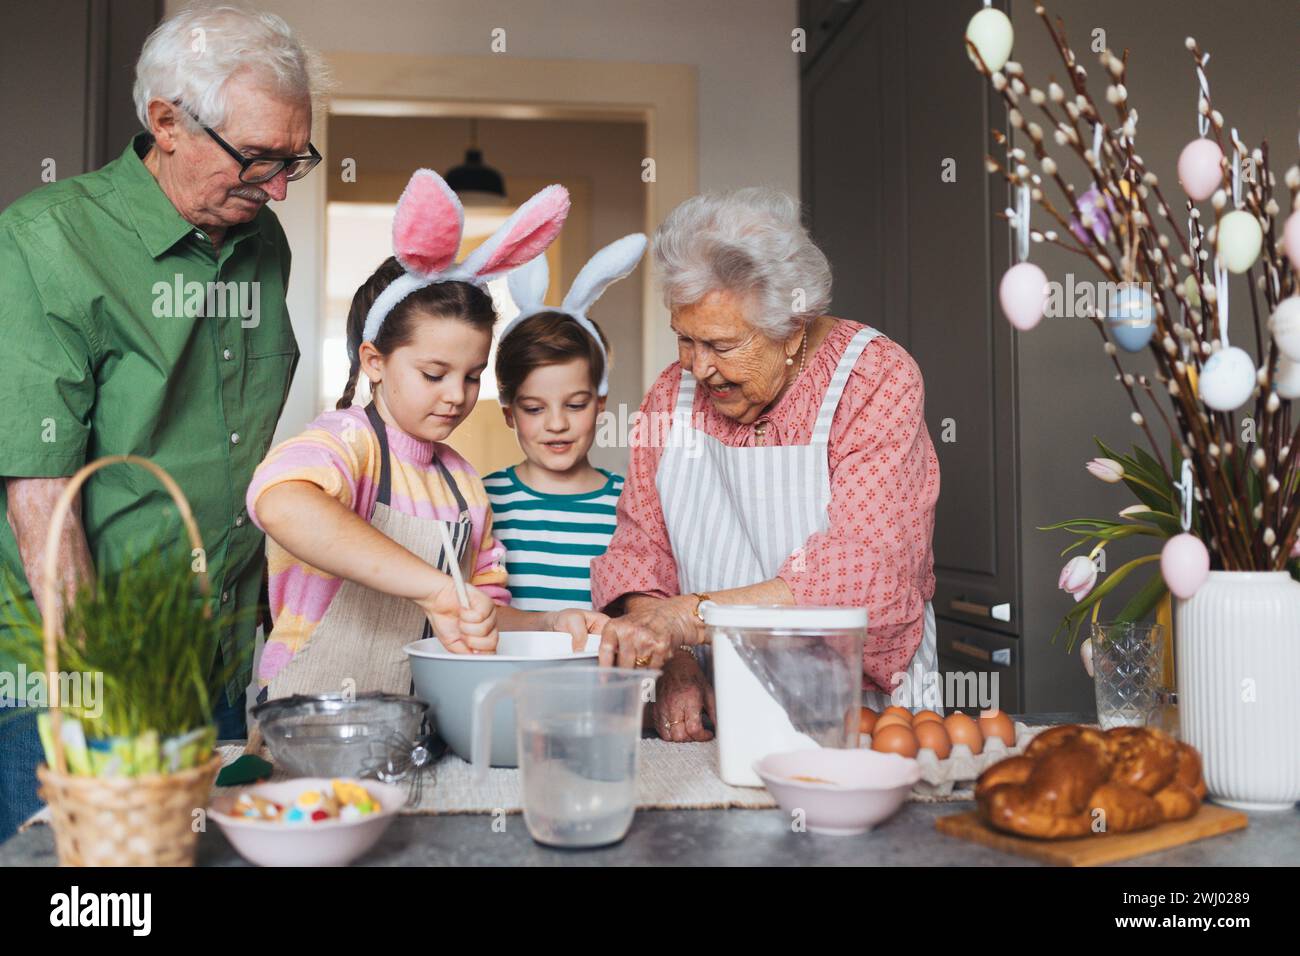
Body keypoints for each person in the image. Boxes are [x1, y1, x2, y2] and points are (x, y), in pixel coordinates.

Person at [0, 6, 323, 838]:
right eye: (258, 158)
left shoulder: (262, 241)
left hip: (216, 655)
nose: (279, 188)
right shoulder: (45, 242)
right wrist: (99, 696)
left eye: (296, 161)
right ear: (167, 122)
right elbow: (42, 493)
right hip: (81, 675)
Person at [589, 188, 941, 742]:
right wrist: (672, 660)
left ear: (792, 328)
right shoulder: (669, 396)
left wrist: (685, 619)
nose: (699, 368)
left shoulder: (874, 380)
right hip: (716, 708)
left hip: (856, 710)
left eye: (722, 345)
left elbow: (863, 572)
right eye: (685, 339)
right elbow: (640, 551)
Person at [247, 169, 606, 698]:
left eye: (472, 376)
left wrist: (549, 625)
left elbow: (481, 613)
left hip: (422, 724)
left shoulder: (462, 483)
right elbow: (279, 503)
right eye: (433, 375)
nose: (456, 395)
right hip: (316, 722)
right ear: (374, 361)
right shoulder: (347, 444)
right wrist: (434, 588)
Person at [484, 235, 647, 613]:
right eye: (534, 409)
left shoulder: (630, 506)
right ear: (509, 412)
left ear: (600, 404)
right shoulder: (484, 501)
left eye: (575, 404)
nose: (557, 424)